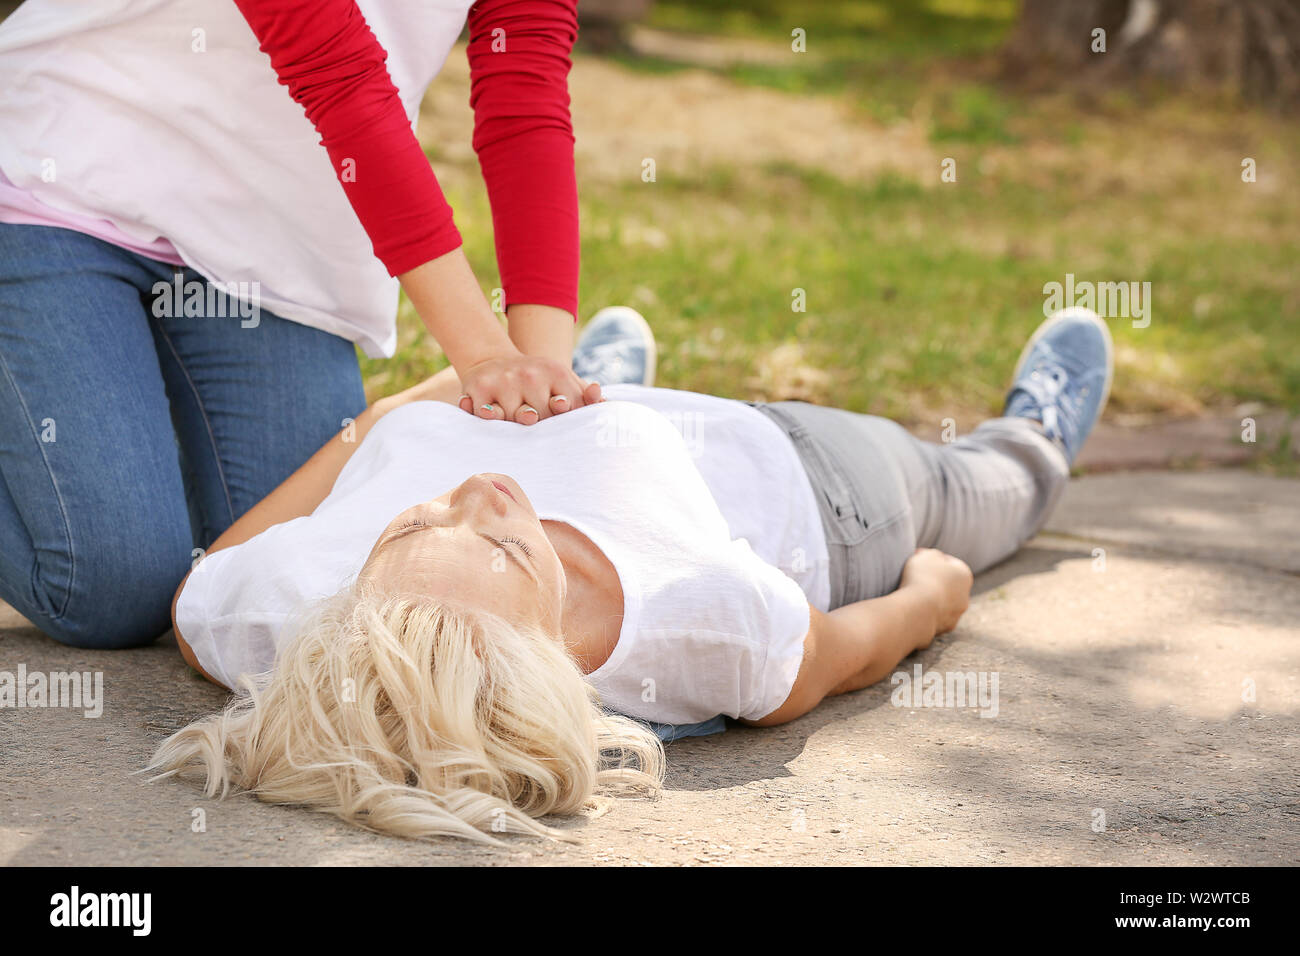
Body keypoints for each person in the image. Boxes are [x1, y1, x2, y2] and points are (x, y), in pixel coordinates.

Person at [146, 306, 1114, 843]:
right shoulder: (700, 625)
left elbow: (202, 595)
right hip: (804, 479)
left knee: (562, 369)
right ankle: (1033, 434)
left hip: (600, 409)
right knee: (968, 486)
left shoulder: (302, 602)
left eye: (413, 523)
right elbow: (830, 655)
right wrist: (931, 601)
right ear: (550, 658)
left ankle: (600, 366)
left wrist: (421, 397)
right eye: (507, 543)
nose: (474, 491)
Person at [0, 0, 600, 650]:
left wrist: (545, 398)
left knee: (292, 574)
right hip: (57, 177)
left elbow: (527, 98)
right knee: (111, 587)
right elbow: (337, 73)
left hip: (269, 245)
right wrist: (483, 354)